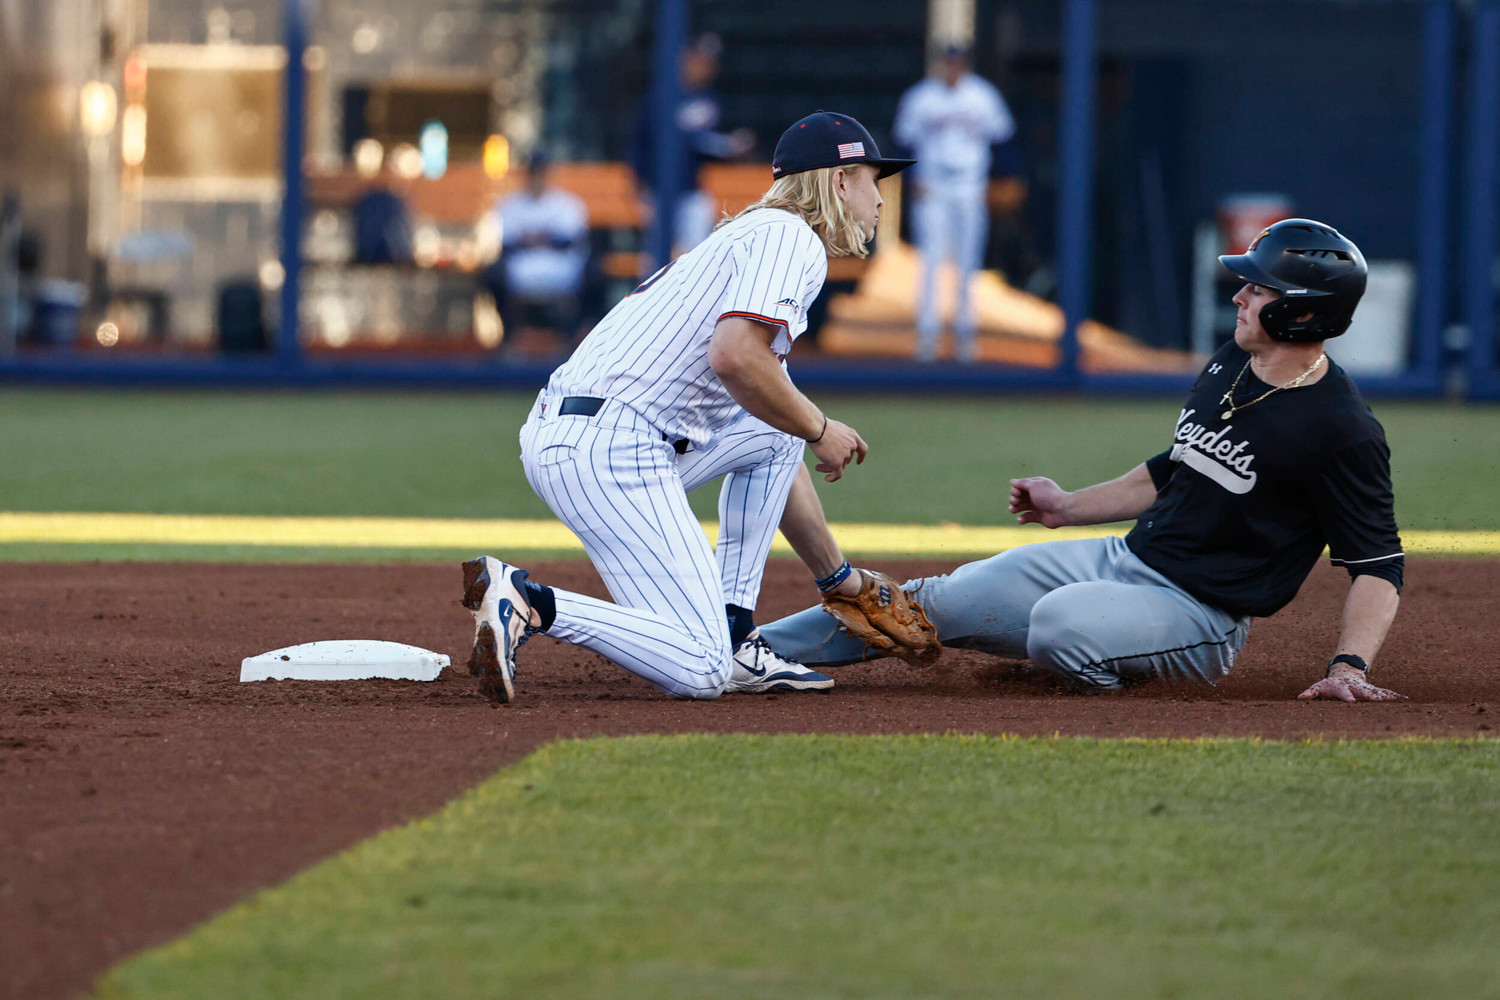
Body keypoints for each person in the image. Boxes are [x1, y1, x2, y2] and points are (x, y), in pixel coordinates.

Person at [758, 219, 1406, 702]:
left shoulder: (1342, 430)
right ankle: (744, 651)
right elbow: (1176, 466)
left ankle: (1115, 692)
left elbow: (1377, 563)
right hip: (1123, 559)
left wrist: (1348, 666)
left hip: (1202, 614)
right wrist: (1069, 506)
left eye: (1258, 290)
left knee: (1060, 628)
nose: (1238, 296)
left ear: (1300, 312)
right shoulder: (1236, 361)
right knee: (933, 601)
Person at [461, 111, 915, 704]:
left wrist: (840, 579)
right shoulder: (792, 238)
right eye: (871, 181)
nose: (879, 198)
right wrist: (822, 428)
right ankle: (532, 602)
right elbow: (735, 357)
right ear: (837, 180)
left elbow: (771, 417)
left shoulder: (750, 236)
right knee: (699, 669)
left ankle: (735, 635)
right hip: (613, 446)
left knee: (778, 429)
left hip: (583, 432)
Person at [893, 42, 1018, 362]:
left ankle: (965, 336)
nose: (952, 67)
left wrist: (1005, 179)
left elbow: (1003, 141)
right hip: (933, 186)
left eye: (957, 62)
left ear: (965, 64)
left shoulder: (982, 95)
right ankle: (927, 337)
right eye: (947, 62)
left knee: (968, 262)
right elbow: (904, 145)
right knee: (931, 262)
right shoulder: (921, 97)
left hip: (969, 186)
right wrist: (910, 182)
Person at [629, 32, 755, 262]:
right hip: (657, 190)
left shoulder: (708, 99)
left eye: (709, 63)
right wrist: (640, 183)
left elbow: (702, 144)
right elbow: (640, 142)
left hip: (690, 190)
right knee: (656, 257)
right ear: (686, 58)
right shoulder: (660, 96)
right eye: (699, 60)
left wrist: (731, 146)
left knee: (698, 249)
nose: (704, 67)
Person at [481, 152, 590, 355]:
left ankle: (572, 340)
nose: (537, 177)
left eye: (541, 171)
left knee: (594, 274)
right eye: (533, 172)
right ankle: (509, 339)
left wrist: (534, 239)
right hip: (520, 270)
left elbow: (569, 241)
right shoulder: (510, 204)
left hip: (561, 269)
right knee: (492, 274)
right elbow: (507, 244)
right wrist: (543, 238)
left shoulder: (566, 203)